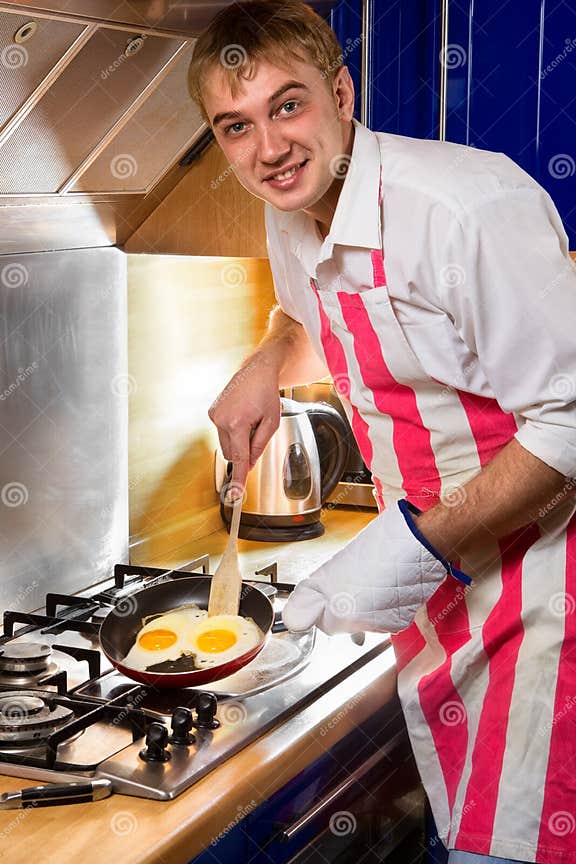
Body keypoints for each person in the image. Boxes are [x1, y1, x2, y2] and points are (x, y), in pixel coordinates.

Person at [188, 2, 576, 862]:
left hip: (550, 600)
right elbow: (308, 313)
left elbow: (571, 416)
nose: (269, 149)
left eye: (288, 105)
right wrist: (265, 360)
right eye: (236, 126)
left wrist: (411, 550)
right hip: (446, 600)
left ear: (340, 91)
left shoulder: (465, 207)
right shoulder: (288, 211)